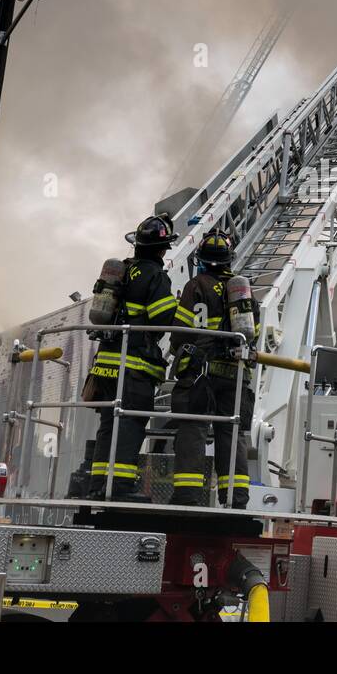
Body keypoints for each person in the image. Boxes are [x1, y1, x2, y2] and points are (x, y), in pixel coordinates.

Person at [85, 214, 178, 501]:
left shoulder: (123, 270)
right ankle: (121, 486)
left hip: (106, 365)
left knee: (109, 423)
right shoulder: (156, 275)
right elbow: (161, 318)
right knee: (130, 424)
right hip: (135, 365)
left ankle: (99, 484)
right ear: (161, 249)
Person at [169, 233, 255, 508]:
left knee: (193, 429)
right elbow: (253, 334)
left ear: (202, 260)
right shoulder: (242, 292)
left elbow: (181, 331)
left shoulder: (197, 285)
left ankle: (188, 495)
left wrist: (178, 350)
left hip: (200, 373)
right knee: (231, 432)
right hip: (234, 375)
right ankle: (236, 496)